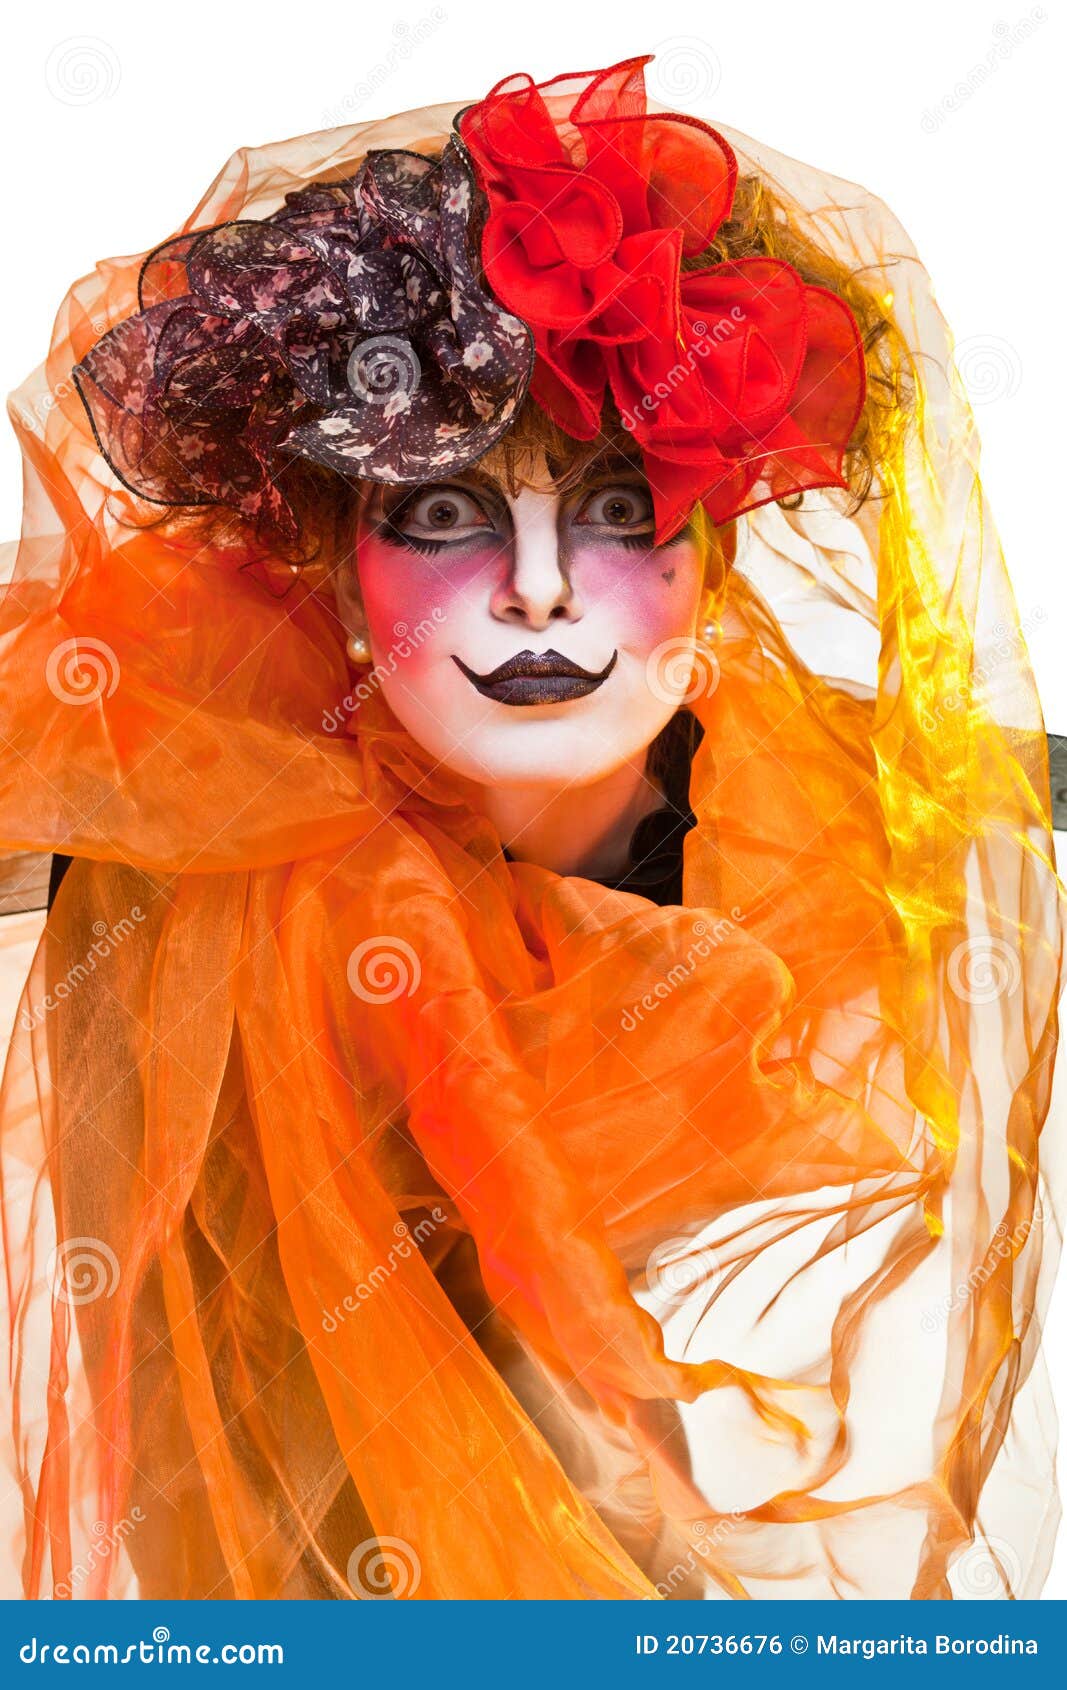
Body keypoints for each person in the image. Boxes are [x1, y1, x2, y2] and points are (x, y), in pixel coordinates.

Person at [0, 54, 1062, 1601]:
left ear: (717, 548)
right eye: (441, 512)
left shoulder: (920, 853)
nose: (541, 586)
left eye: (622, 511)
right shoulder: (167, 844)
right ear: (329, 556)